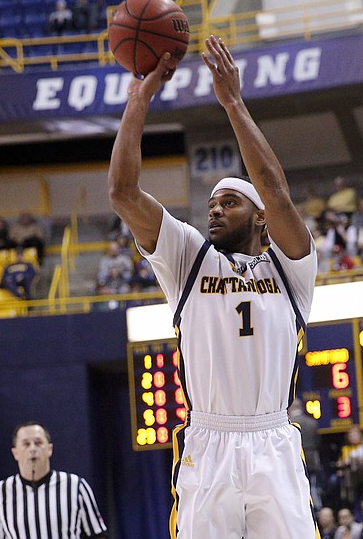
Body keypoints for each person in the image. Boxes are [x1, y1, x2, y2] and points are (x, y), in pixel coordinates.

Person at [108, 35, 318, 538]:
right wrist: (138, 102)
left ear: (261, 218)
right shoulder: (189, 257)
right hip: (209, 442)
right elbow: (121, 192)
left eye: (230, 202)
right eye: (213, 204)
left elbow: (272, 184)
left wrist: (233, 103)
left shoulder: (292, 267)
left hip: (273, 440)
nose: (215, 209)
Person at [0, 422, 108, 539]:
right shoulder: (0, 492)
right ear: (15, 453)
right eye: (26, 444)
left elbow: (97, 535)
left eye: (38, 442)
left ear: (50, 449)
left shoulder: (75, 486)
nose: (32, 449)